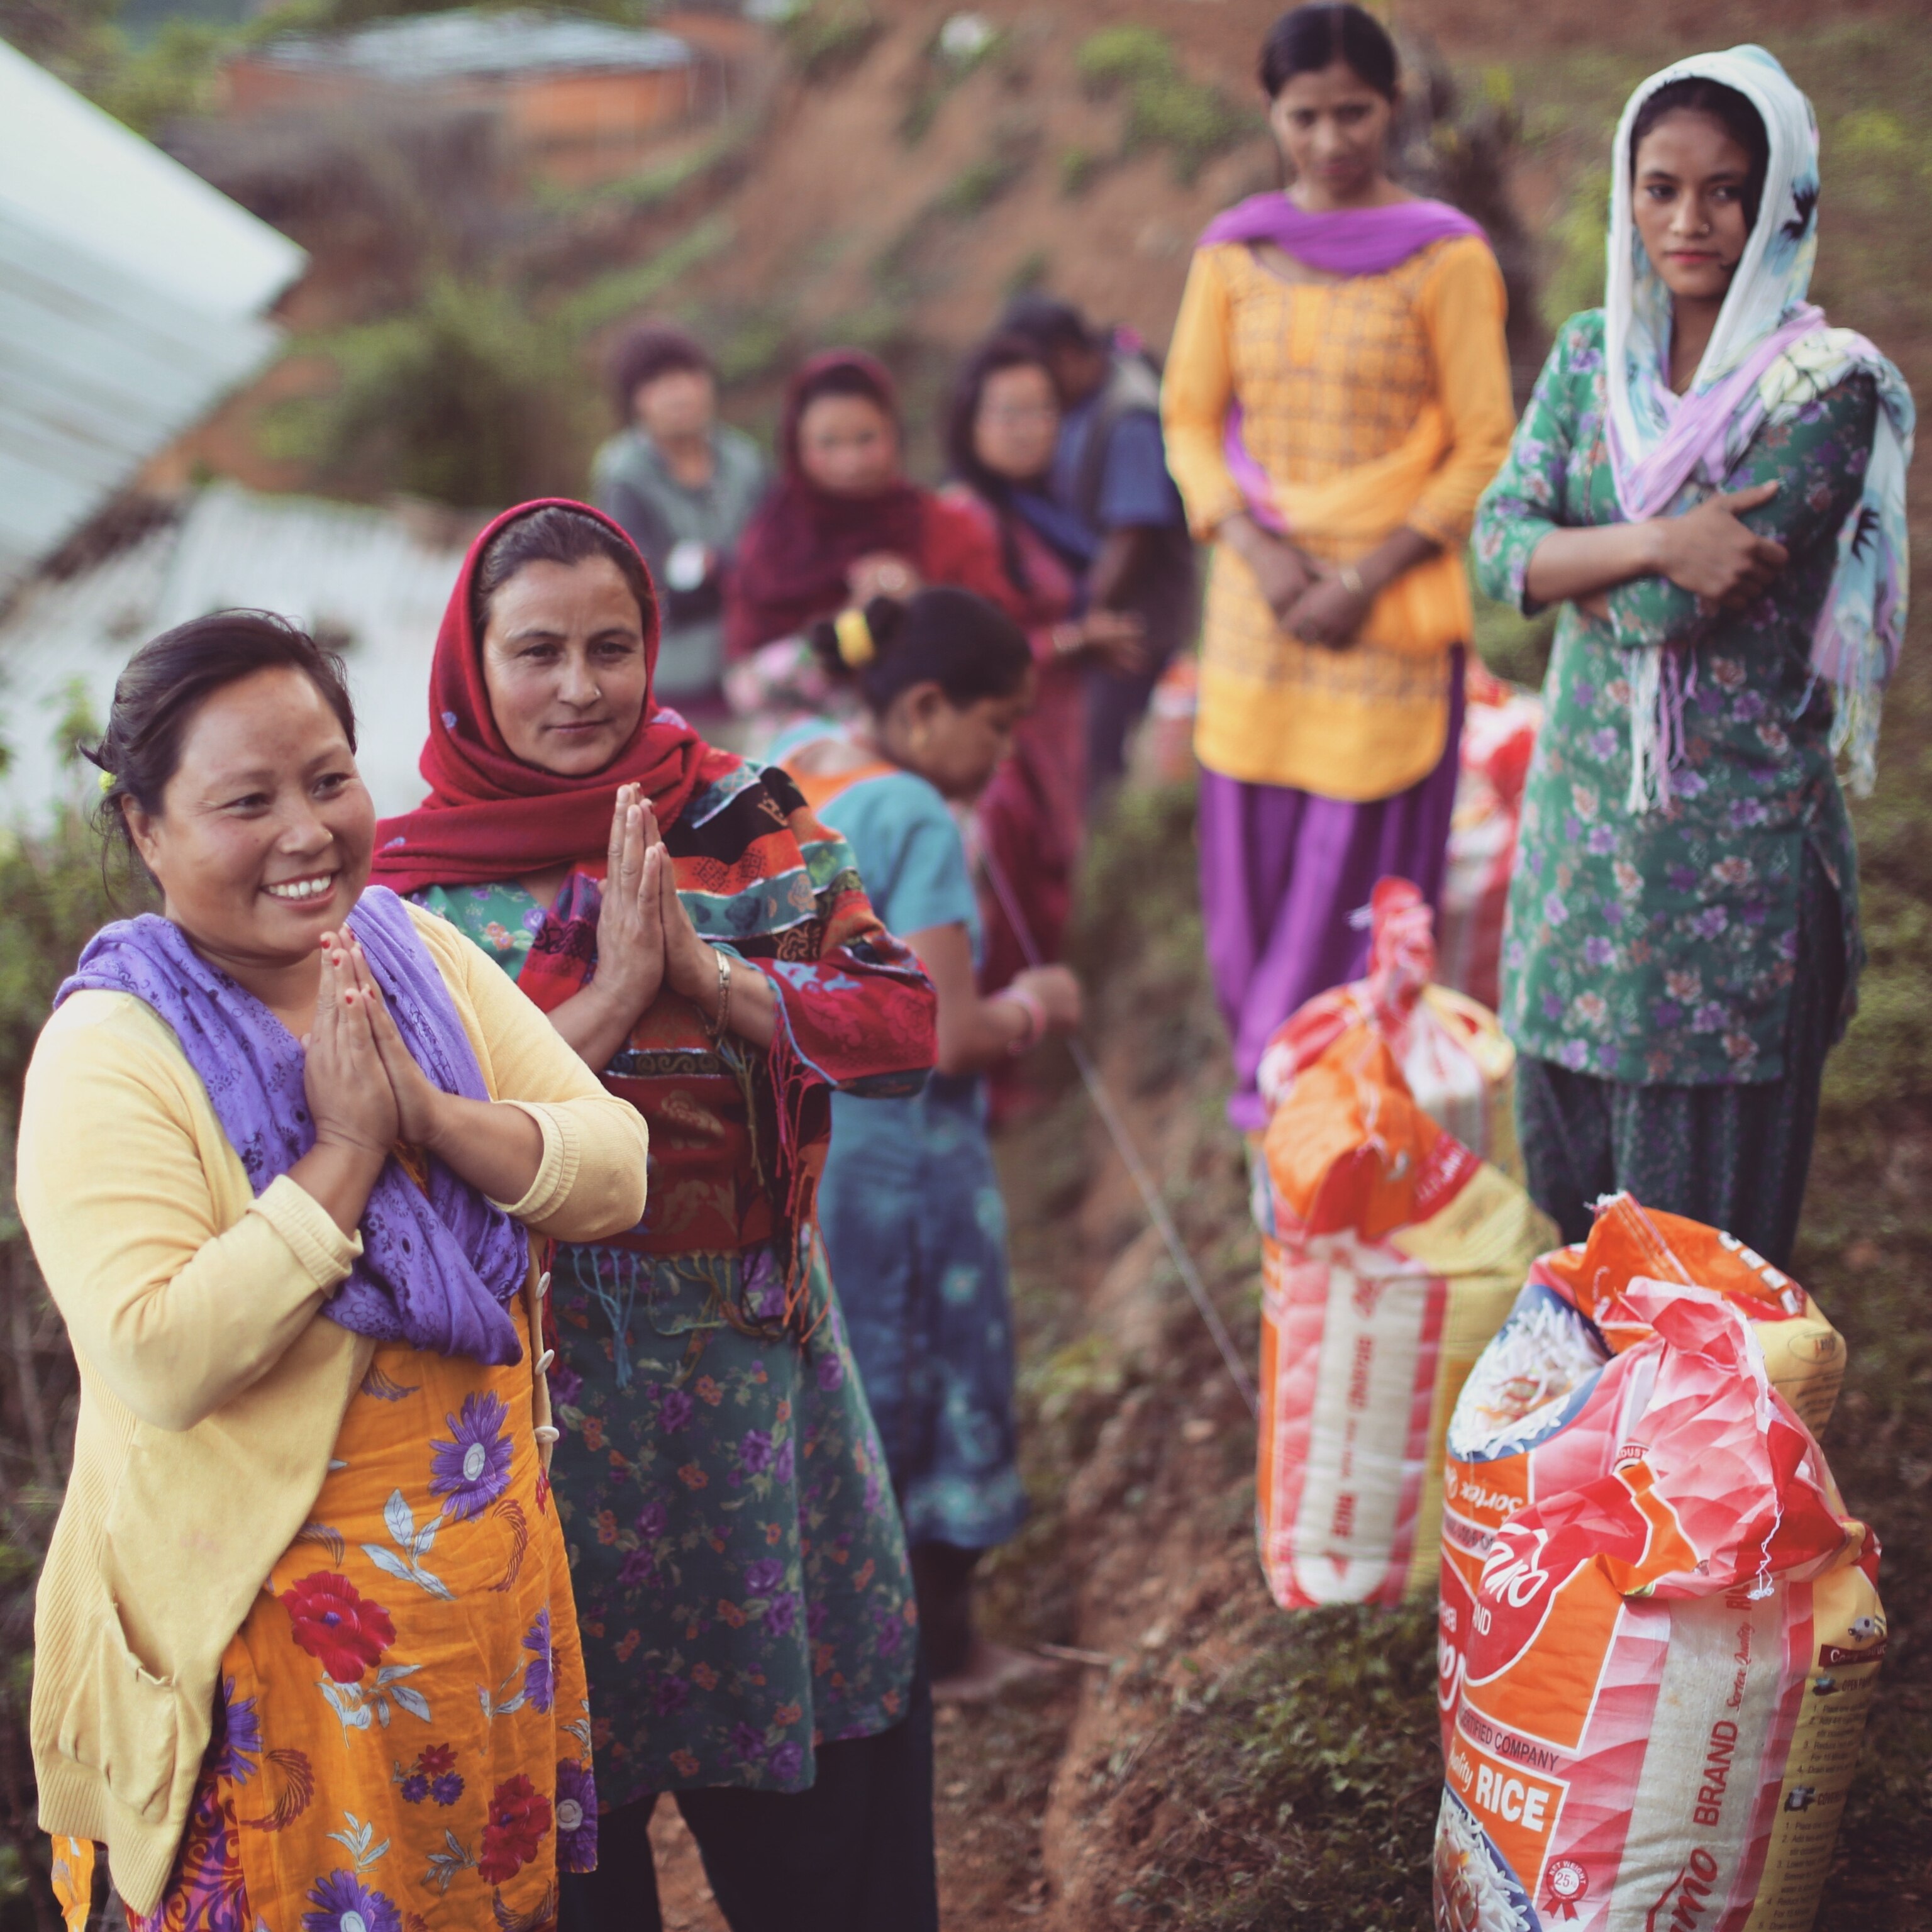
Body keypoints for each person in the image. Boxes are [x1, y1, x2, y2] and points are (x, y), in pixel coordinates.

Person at [19, 613, 650, 1930]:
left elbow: (612, 1162)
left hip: (479, 1634)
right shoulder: (114, 1053)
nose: (307, 834)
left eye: (328, 780)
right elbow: (158, 1354)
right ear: (146, 829)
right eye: (247, 801)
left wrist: (432, 1116)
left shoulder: (411, 957)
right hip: (275, 1682)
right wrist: (346, 1157)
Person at [368, 500, 944, 1932]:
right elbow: (407, 1153)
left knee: (824, 1803)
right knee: (569, 1814)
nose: (579, 685)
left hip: (753, 1378)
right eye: (538, 650)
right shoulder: (404, 896)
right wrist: (612, 1000)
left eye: (610, 645)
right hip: (531, 1410)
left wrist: (715, 978)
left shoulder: (743, 817)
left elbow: (901, 1017)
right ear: (470, 664)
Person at [1472, 47, 1912, 1268]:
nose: (1691, 220)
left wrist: (1581, 558)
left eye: (1727, 190)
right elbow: (1495, 551)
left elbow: (1672, 612)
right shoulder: (1584, 358)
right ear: (1627, 195)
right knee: (1581, 1237)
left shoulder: (1823, 393)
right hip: (1577, 858)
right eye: (1660, 188)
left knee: (1696, 1283)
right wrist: (1662, 537)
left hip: (1724, 887)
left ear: (1784, 203)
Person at [1160, 1, 1515, 1134]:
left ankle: (1346, 1095)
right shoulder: (1231, 253)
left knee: (1357, 870)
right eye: (1304, 116)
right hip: (1261, 617)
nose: (1328, 140)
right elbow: (1185, 420)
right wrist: (1261, 555)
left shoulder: (1445, 255)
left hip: (1388, 612)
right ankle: (1269, 1079)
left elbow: (1482, 442)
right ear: (1269, 112)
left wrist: (1359, 579)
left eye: (1351, 112)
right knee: (1258, 862)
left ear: (1393, 104)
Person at [774, 589, 1084, 1697]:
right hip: (907, 1160)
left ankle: (832, 1635)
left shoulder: (795, 762)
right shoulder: (915, 816)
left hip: (802, 1152)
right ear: (923, 703)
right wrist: (1038, 1004)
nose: (1003, 753)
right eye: (997, 725)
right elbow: (946, 1036)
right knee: (938, 1372)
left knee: (846, 1376)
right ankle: (933, 1650)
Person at [942, 335, 1145, 1035]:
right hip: (1006, 749)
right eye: (1009, 413)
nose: (1030, 429)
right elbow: (960, 654)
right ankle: (998, 1071)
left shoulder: (1047, 508)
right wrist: (1070, 642)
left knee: (1051, 886)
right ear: (970, 423)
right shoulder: (967, 520)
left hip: (1057, 732)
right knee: (1013, 903)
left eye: (1042, 411)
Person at [997, 294, 1197, 797]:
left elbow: (1132, 536)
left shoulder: (1129, 417)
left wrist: (1085, 620)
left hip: (1131, 625)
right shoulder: (1089, 398)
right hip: (1098, 617)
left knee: (1096, 763)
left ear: (1065, 355)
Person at [724, 348, 1018, 663]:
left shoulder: (948, 528)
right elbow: (745, 676)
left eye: (866, 439)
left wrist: (923, 602)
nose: (850, 463)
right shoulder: (771, 546)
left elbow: (1002, 643)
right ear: (797, 446)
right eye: (828, 443)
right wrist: (843, 631)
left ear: (894, 434)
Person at [592, 323, 772, 721]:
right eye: (657, 381)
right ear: (634, 401)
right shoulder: (624, 473)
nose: (678, 392)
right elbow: (639, 583)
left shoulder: (745, 460)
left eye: (688, 374)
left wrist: (718, 569)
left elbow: (775, 554)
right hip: (671, 673)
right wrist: (722, 571)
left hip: (755, 657)